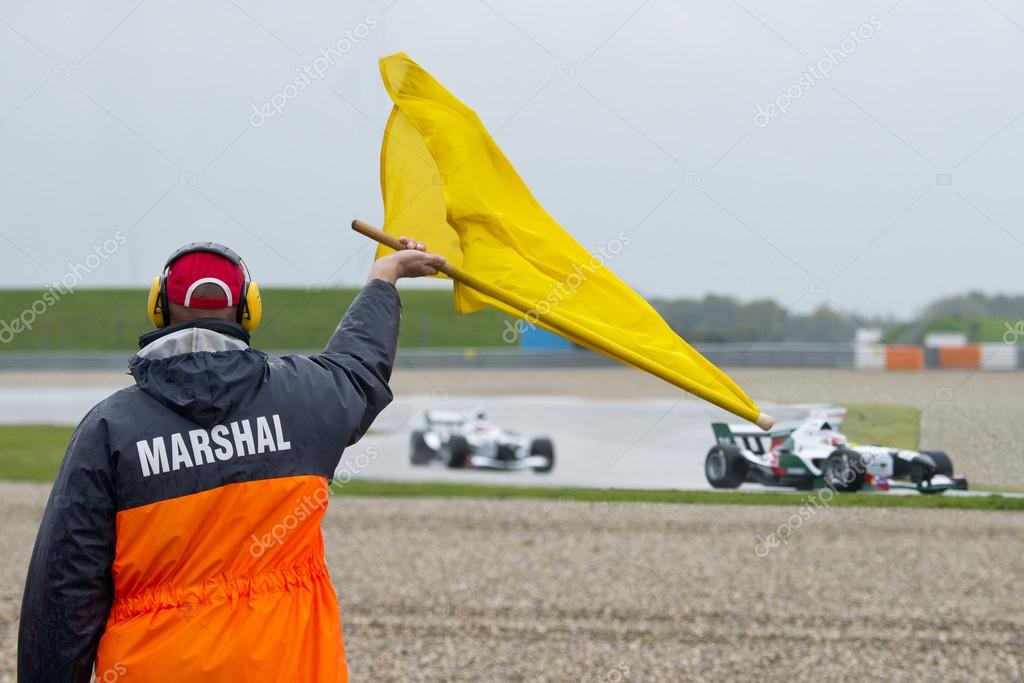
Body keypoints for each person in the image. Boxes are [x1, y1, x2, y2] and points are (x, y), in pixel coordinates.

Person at [18, 239, 444, 682]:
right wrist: (383, 278)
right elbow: (358, 367)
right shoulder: (303, 398)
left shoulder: (107, 428)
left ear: (158, 308)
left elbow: (64, 593)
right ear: (248, 310)